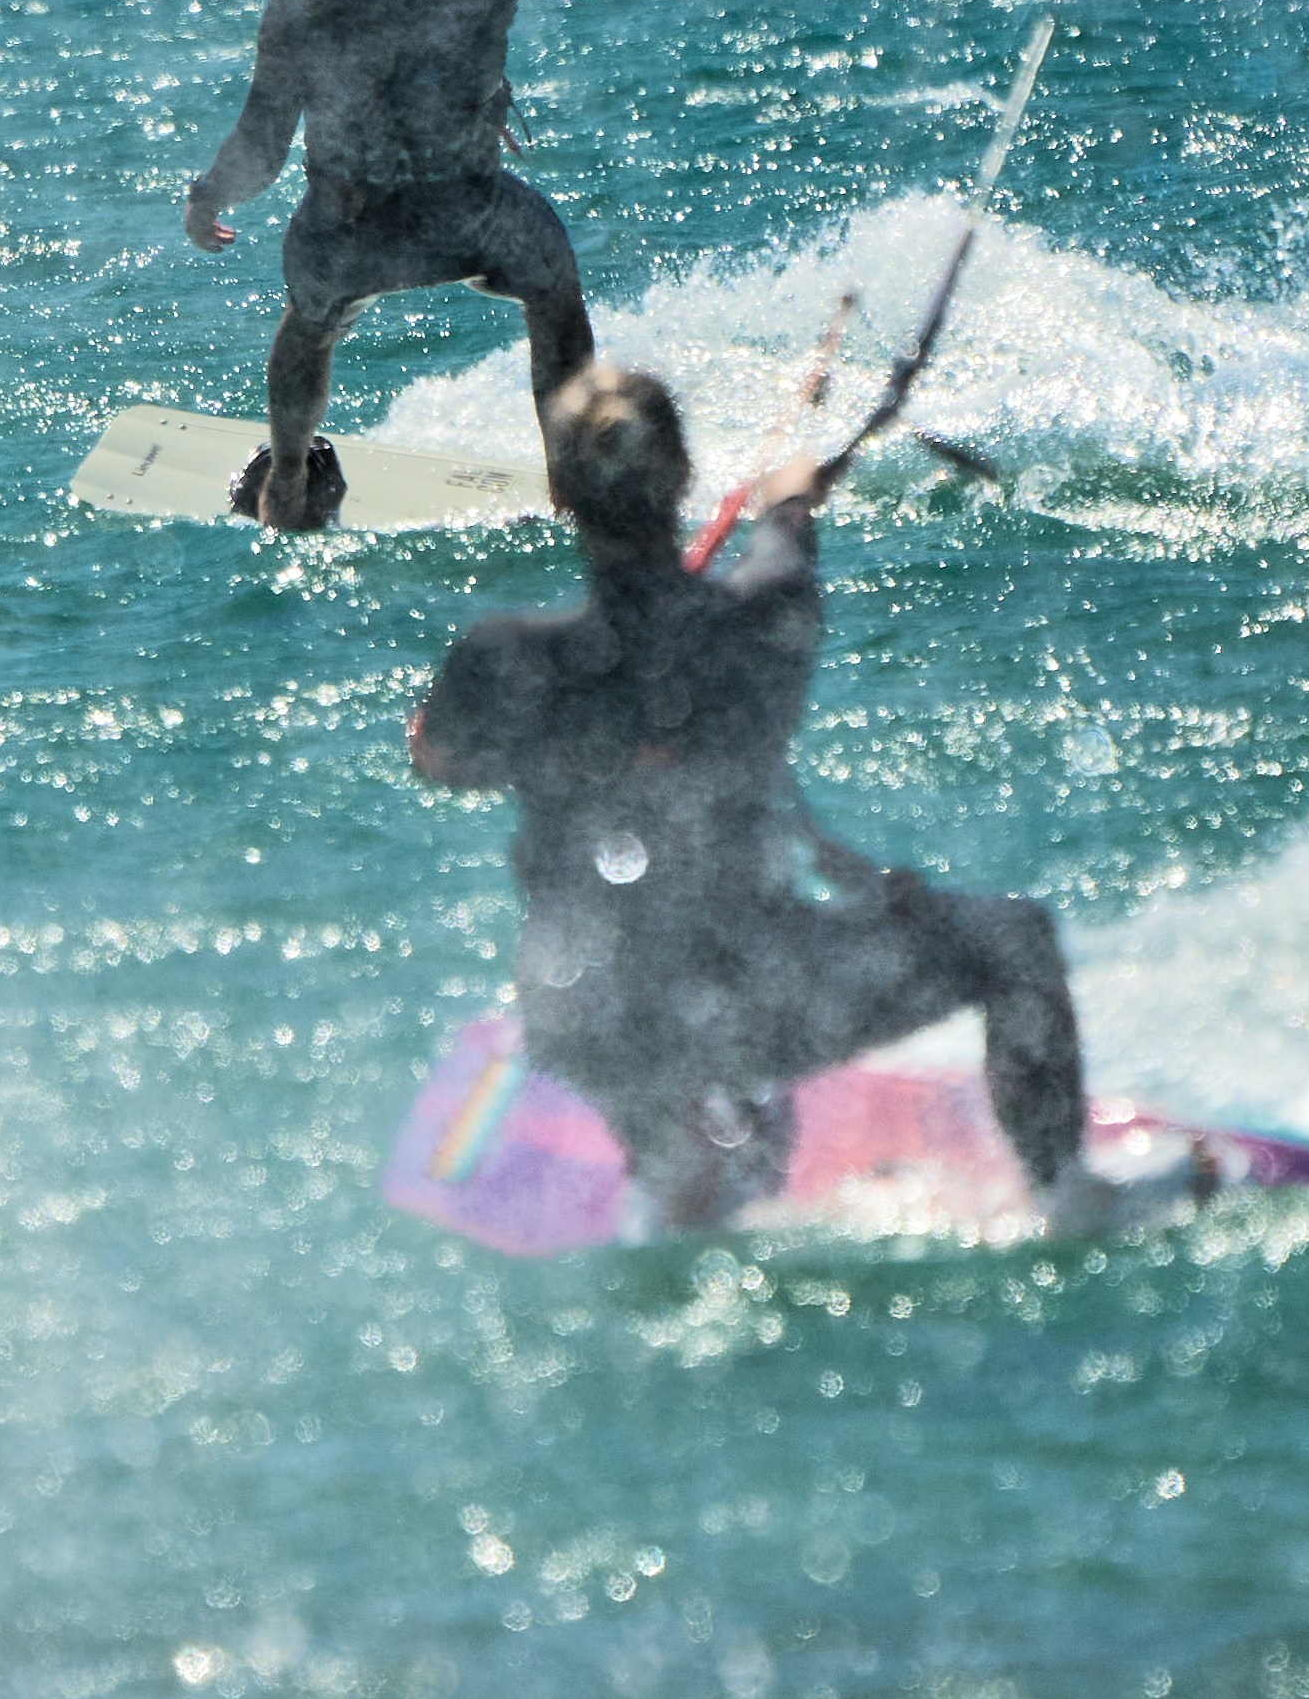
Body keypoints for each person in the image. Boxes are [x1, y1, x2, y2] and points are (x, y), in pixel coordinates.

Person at [406, 362, 1100, 1238]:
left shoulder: (501, 657)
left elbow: (442, 758)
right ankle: (1070, 1199)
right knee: (1014, 940)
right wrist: (790, 502)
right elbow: (779, 551)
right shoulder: (760, 620)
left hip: (586, 1017)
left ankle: (674, 1174)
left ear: (564, 493)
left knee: (685, 1045)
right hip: (737, 988)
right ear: (684, 479)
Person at [184, 0, 596, 531]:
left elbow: (262, 151)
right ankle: (574, 489)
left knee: (309, 318)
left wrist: (206, 196)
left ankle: (286, 483)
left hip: (351, 234)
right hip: (475, 214)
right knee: (552, 279)